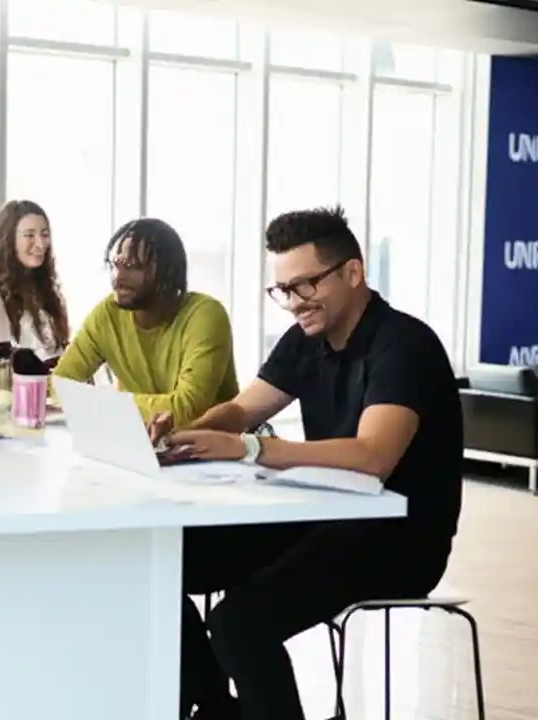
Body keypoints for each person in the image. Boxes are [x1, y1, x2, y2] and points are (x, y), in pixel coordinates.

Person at [151, 206, 462, 720]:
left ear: (353, 272)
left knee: (239, 624)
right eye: (283, 290)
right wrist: (188, 436)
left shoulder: (403, 346)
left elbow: (372, 457)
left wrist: (252, 449)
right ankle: (217, 710)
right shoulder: (305, 339)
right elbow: (244, 409)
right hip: (327, 516)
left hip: (399, 539)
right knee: (165, 564)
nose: (294, 303)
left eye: (305, 285)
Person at [51, 218, 238, 428]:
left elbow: (186, 409)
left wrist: (105, 404)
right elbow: (60, 385)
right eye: (116, 264)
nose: (118, 276)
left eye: (132, 266)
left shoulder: (205, 316)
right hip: (137, 443)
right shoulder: (108, 313)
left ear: (166, 273)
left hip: (209, 449)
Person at [0, 199, 70, 360]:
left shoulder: (44, 290)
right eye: (29, 235)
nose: (40, 244)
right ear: (9, 239)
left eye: (45, 235)